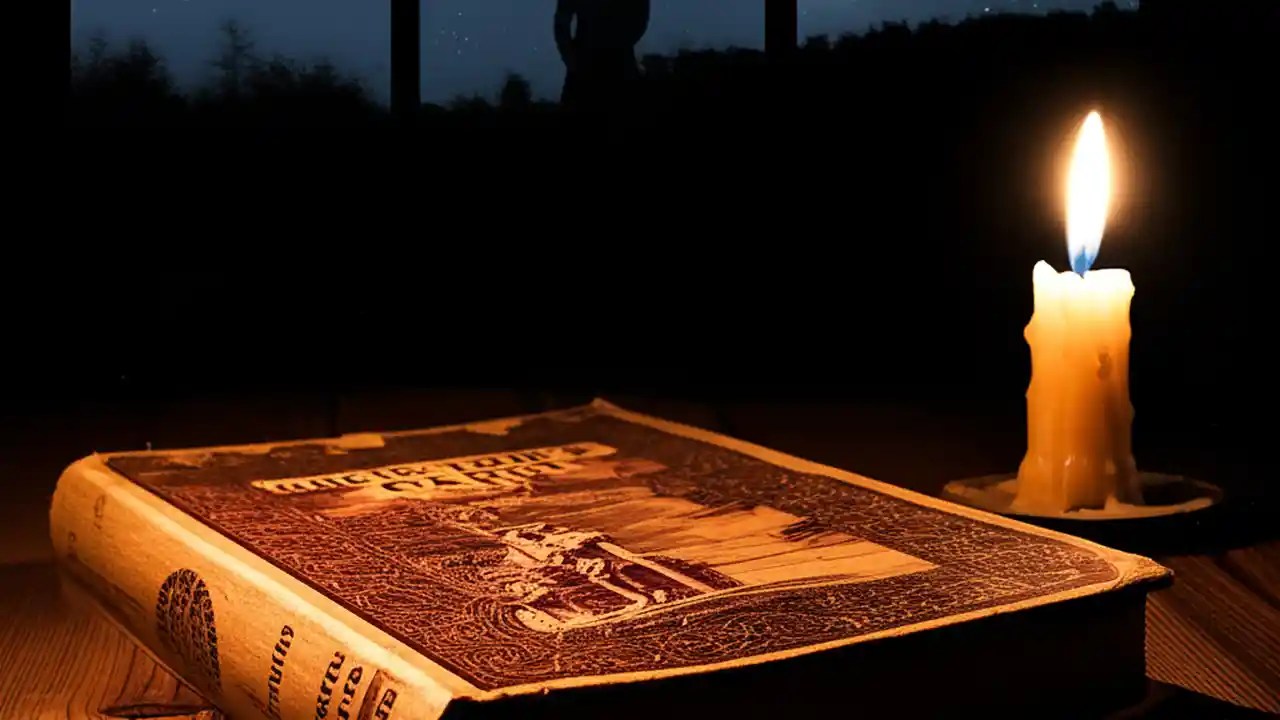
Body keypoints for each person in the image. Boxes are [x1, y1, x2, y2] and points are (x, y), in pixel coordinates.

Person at [554, 0, 651, 119]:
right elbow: (640, 20)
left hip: (601, 62)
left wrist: (570, 58)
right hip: (605, 62)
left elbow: (561, 24)